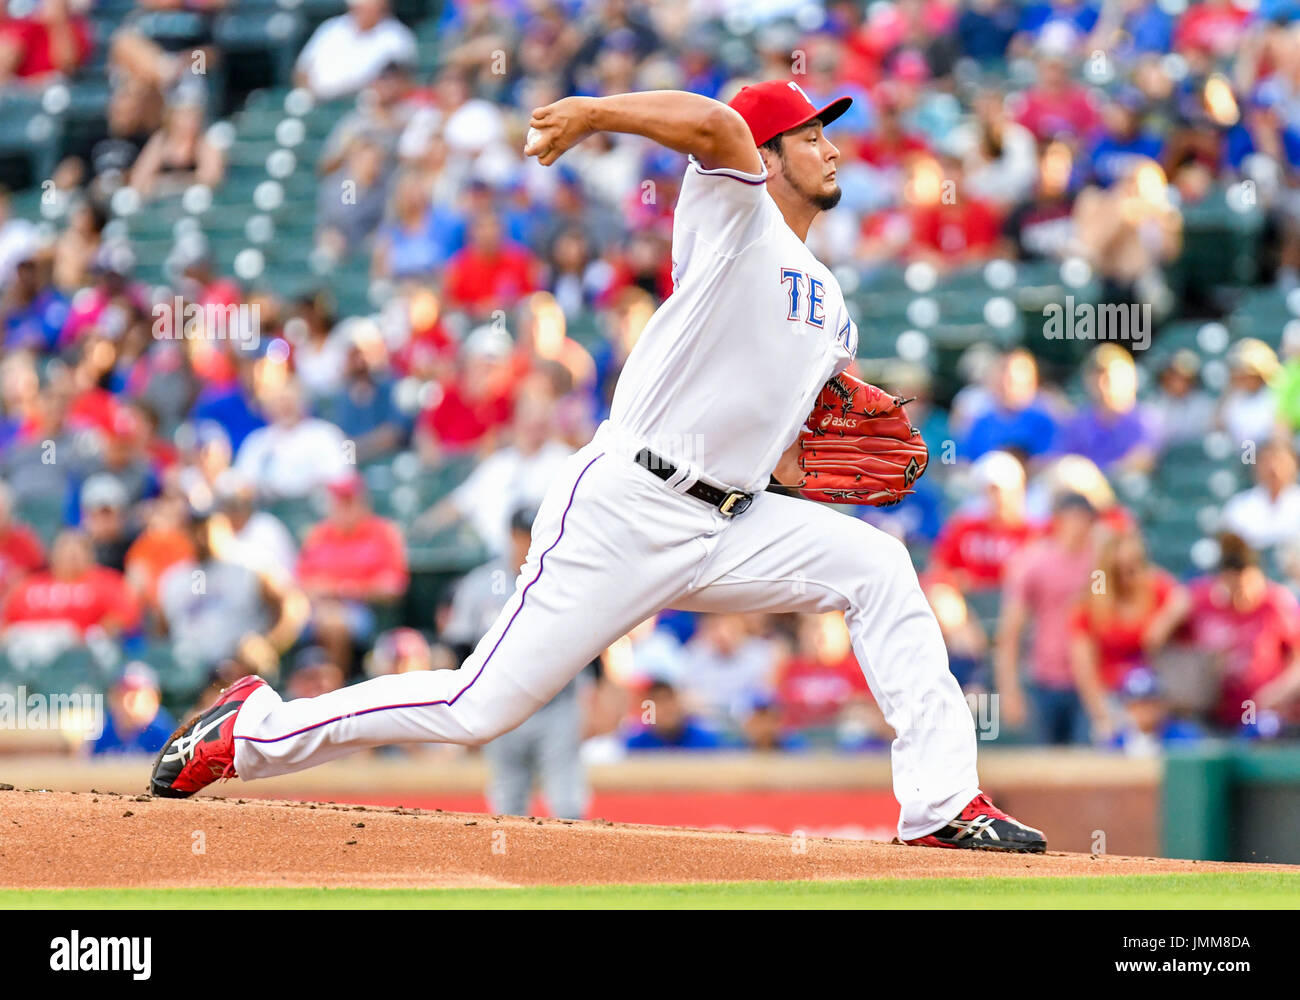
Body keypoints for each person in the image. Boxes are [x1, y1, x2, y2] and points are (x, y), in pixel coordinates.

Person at [152, 80, 1045, 853]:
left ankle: (940, 805)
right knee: (477, 708)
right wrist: (598, 111)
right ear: (770, 156)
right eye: (809, 133)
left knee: (881, 566)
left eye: (827, 130)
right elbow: (716, 129)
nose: (829, 145)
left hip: (730, 520)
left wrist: (809, 459)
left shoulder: (834, 305)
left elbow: (788, 449)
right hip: (627, 505)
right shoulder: (735, 219)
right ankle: (253, 729)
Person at [442, 506, 588, 819]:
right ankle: (512, 867)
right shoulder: (481, 584)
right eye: (522, 535)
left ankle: (575, 868)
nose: (527, 542)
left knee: (568, 805)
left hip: (557, 705)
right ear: (511, 536)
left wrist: (599, 695)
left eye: (533, 533)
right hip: (501, 702)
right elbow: (459, 647)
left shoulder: (566, 579)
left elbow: (593, 643)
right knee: (507, 805)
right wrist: (464, 707)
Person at [1067, 528, 1187, 742]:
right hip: (1113, 697)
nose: (1127, 577)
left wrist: (1163, 624)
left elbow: (1183, 599)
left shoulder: (1153, 587)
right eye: (1118, 571)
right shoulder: (1093, 603)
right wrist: (1101, 714)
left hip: (1153, 695)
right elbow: (1083, 665)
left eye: (1133, 568)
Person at [995, 492, 1097, 743]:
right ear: (1058, 520)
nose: (1077, 525)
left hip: (1088, 678)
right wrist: (1009, 691)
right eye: (1071, 518)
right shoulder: (1034, 563)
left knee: (1089, 767)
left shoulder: (1097, 565)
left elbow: (1103, 614)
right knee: (1042, 767)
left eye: (1082, 519)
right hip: (1043, 677)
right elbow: (1011, 630)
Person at [1220, 440, 1300, 554]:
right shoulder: (1238, 506)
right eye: (1266, 460)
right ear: (1256, 466)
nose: (1273, 467)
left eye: (1280, 460)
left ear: (1294, 464)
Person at [90, 662, 177, 756]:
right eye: (120, 696)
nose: (125, 702)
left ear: (153, 698)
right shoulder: (104, 728)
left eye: (134, 697)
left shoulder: (162, 731)